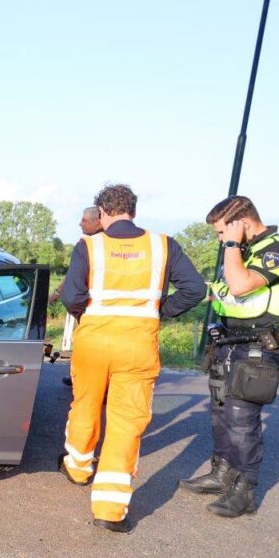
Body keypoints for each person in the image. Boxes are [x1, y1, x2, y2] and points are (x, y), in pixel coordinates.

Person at [60, 184, 205, 532]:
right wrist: (159, 310)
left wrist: (89, 314)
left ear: (103, 212)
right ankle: (109, 511)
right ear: (133, 211)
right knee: (127, 422)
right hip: (138, 343)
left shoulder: (90, 245)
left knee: (85, 404)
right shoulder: (162, 245)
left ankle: (78, 468)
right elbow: (195, 289)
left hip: (94, 341)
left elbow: (70, 296)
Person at [179, 196, 279, 517]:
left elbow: (240, 286)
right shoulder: (243, 251)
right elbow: (223, 294)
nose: (220, 240)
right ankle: (222, 473)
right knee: (220, 411)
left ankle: (245, 490)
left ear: (242, 224)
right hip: (229, 341)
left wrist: (232, 244)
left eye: (222, 233)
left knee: (241, 418)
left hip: (259, 346)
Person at [50, 206, 103, 386]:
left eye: (84, 220)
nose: (80, 223)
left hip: (91, 307)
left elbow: (73, 276)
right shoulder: (97, 244)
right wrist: (57, 292)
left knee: (88, 345)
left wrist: (66, 300)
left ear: (98, 221)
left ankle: (83, 379)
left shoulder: (89, 246)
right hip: (96, 307)